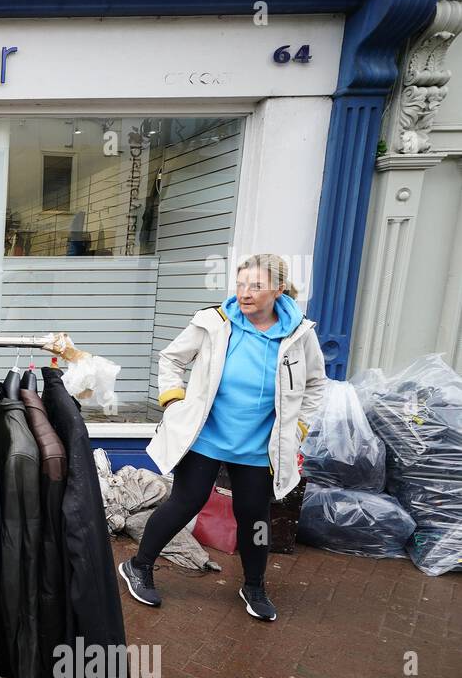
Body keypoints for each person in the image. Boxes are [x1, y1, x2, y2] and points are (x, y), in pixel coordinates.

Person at [118, 253, 328, 622]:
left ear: (279, 290)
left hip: (258, 445)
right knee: (186, 502)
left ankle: (255, 585)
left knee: (255, 517)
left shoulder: (299, 335)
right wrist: (173, 400)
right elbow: (170, 359)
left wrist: (299, 427)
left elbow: (315, 384)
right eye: (241, 284)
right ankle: (139, 565)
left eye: (256, 286)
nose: (246, 293)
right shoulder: (214, 322)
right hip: (207, 436)